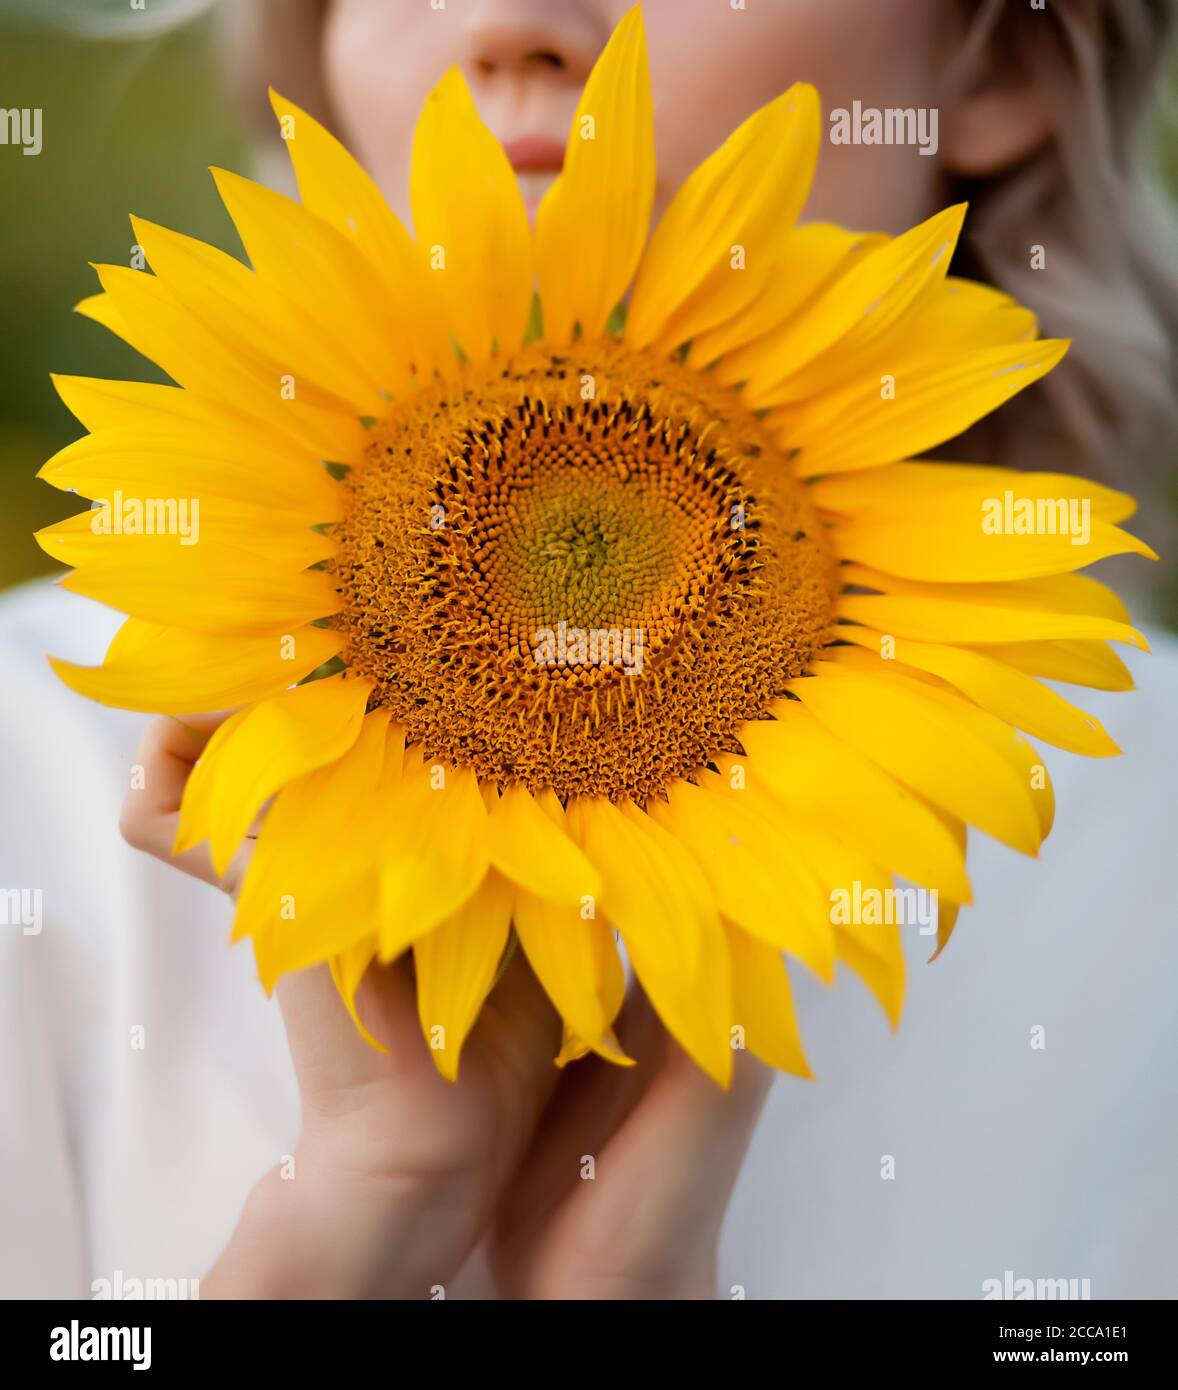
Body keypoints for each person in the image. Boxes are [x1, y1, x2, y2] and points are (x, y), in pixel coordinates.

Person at [1, 0, 1176, 1300]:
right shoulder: (35, 768)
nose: (509, 22)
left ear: (1002, 55)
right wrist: (343, 1230)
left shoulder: (1143, 862)